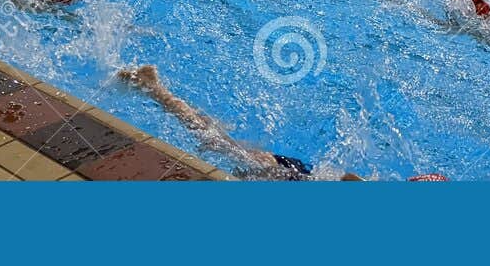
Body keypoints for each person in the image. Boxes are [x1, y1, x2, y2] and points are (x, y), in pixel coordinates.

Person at [117, 65, 361, 180]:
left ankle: (158, 89)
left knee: (219, 140)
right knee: (212, 141)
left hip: (298, 174)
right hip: (289, 176)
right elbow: (348, 180)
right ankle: (152, 87)